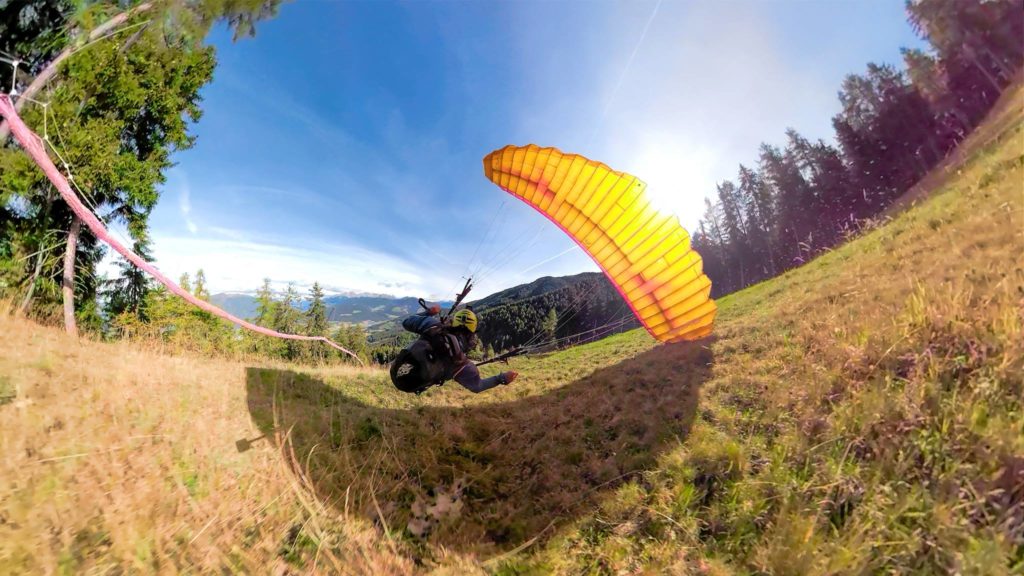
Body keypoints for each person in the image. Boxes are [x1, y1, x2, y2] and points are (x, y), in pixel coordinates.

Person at [390, 304, 518, 394]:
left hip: (395, 369)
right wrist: (502, 378)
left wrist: (429, 312)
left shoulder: (432, 325)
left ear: (453, 321)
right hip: (410, 386)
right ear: (473, 331)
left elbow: (406, 322)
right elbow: (478, 387)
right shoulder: (462, 364)